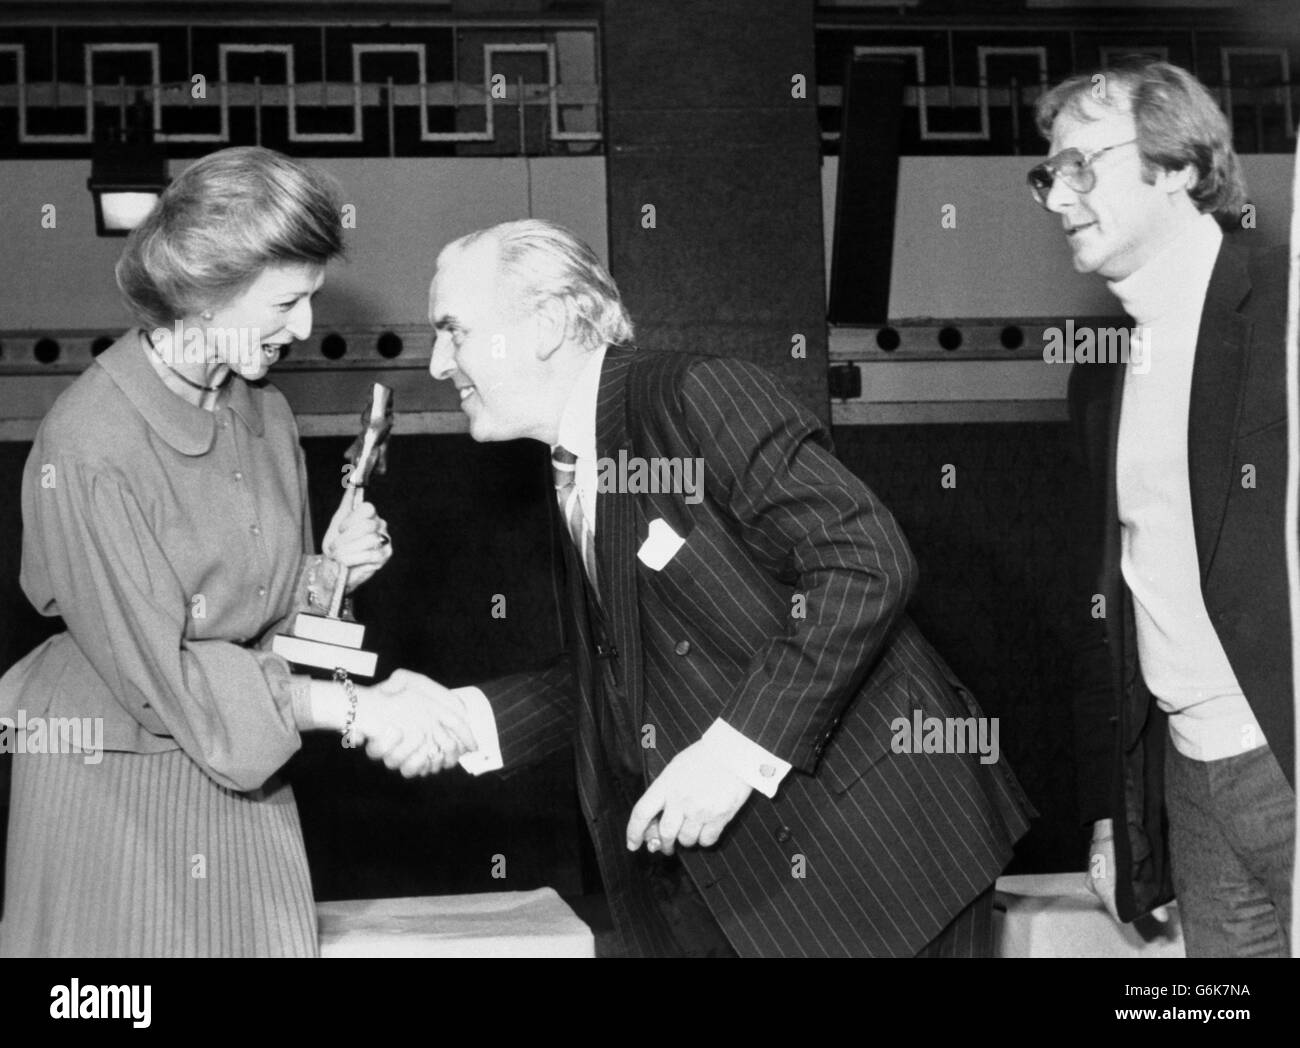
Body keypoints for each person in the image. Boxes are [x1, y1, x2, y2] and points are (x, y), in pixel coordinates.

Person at [370, 218, 1034, 957]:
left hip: (885, 865)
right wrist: (467, 718)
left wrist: (733, 751)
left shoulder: (691, 395)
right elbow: (626, 671)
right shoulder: (571, 464)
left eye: (453, 331)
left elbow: (864, 562)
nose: (435, 364)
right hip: (760, 891)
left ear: (549, 323)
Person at [0, 146, 471, 957]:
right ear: (206, 293)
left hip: (248, 770)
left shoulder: (266, 413)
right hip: (112, 780)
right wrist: (356, 709)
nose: (304, 328)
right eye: (287, 301)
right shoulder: (86, 444)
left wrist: (326, 579)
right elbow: (161, 674)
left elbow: (272, 639)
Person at [1030, 59, 1294, 955]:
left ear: (1178, 166)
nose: (1058, 196)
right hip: (1191, 780)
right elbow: (1107, 610)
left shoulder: (1286, 308)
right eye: (1049, 174)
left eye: (1080, 165)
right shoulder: (1101, 374)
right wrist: (1113, 814)